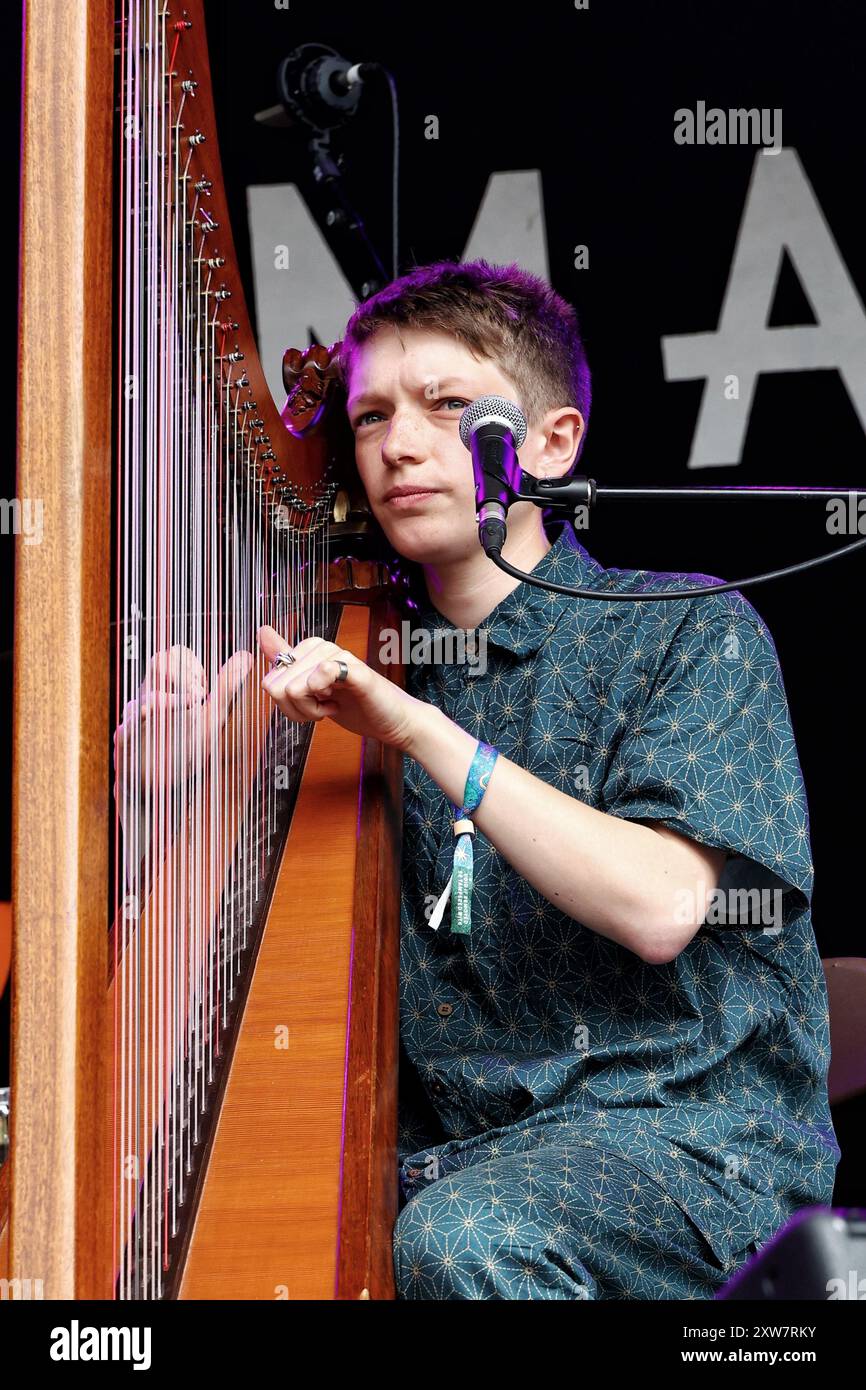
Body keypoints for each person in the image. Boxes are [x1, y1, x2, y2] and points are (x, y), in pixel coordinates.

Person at [255, 259, 840, 1300]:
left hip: (687, 1155)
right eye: (369, 417)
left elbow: (661, 905)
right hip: (447, 1166)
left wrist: (421, 729)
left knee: (464, 1241)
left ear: (549, 442)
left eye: (444, 405)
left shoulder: (686, 629)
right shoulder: (353, 676)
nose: (397, 444)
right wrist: (176, 765)